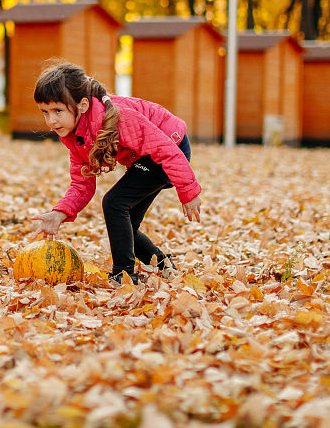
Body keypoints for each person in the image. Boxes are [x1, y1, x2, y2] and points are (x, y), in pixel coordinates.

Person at [30, 60, 202, 286]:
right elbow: (82, 184)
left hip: (171, 146)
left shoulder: (121, 118)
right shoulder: (75, 136)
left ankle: (123, 276)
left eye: (58, 111)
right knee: (126, 221)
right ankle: (164, 265)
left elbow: (165, 150)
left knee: (114, 203)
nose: (51, 121)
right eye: (45, 112)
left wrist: (188, 190)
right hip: (145, 156)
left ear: (82, 105)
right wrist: (59, 213)